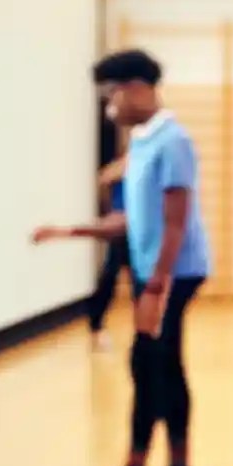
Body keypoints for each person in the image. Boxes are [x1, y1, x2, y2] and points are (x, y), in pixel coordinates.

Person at [34, 49, 210, 466]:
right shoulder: (143, 142)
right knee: (149, 363)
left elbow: (175, 220)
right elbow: (132, 219)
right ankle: (141, 464)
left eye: (112, 97)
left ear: (136, 89)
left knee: (159, 362)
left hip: (174, 273)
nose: (110, 108)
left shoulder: (174, 141)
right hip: (152, 271)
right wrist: (71, 231)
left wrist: (156, 286)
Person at [87, 138, 131, 352]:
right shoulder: (120, 167)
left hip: (139, 230)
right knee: (109, 277)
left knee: (144, 283)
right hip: (119, 229)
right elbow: (104, 179)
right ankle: (96, 327)